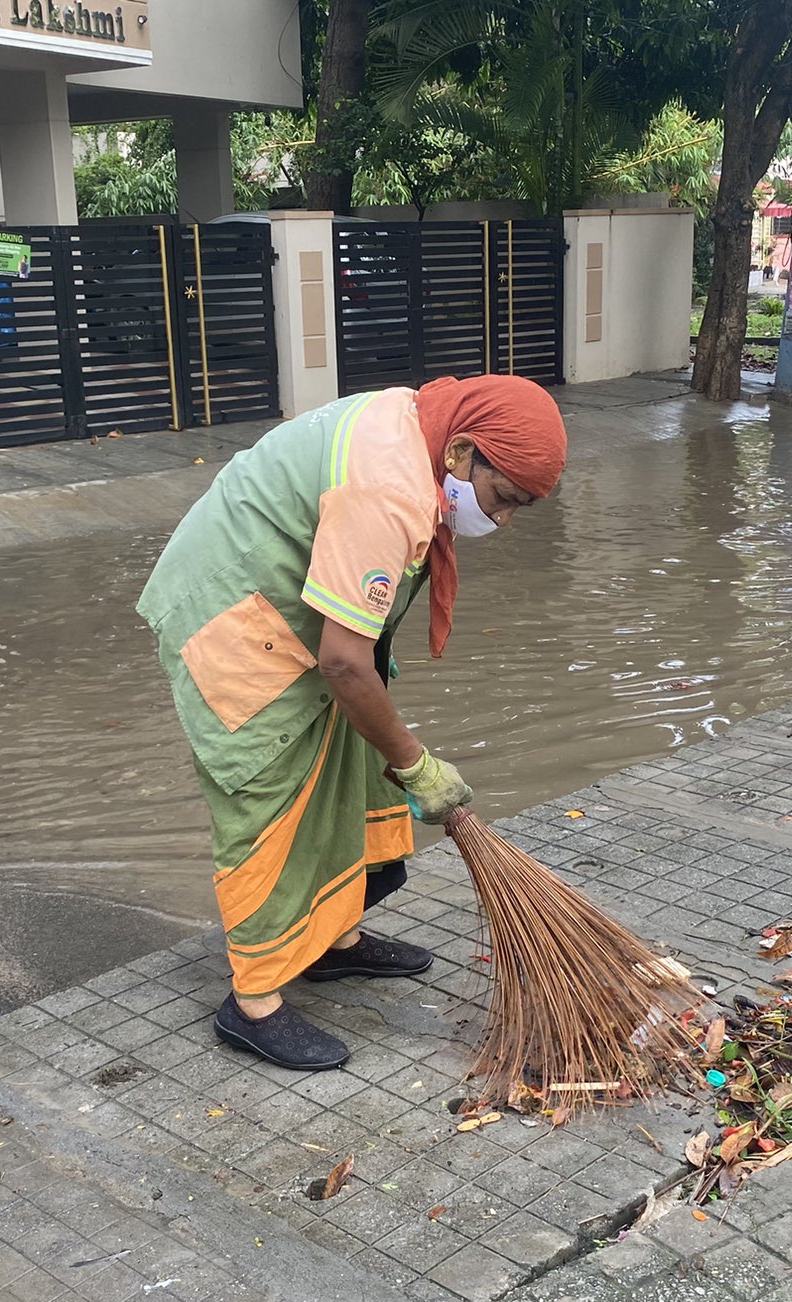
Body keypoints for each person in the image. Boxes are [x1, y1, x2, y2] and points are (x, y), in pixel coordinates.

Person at [137, 376, 568, 1071]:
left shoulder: (420, 430)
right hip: (234, 616)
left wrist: (392, 749)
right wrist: (417, 764)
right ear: (461, 452)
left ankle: (331, 942)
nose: (504, 519)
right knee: (270, 803)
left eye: (521, 506)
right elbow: (343, 662)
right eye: (503, 497)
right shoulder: (388, 488)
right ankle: (253, 1003)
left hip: (297, 608)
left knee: (347, 774)